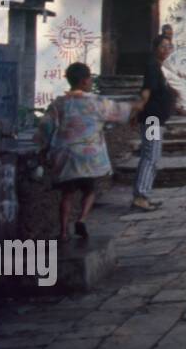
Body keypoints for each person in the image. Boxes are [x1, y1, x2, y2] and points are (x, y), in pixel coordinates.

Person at [35, 62, 141, 241]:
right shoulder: (97, 103)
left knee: (67, 194)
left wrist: (42, 148)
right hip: (89, 155)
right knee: (90, 190)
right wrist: (140, 104)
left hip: (66, 154)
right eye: (90, 78)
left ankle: (62, 232)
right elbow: (120, 111)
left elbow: (45, 127)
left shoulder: (58, 104)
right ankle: (82, 219)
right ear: (85, 81)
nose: (91, 81)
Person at [132, 34, 177, 211]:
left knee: (153, 155)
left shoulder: (159, 67)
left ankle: (144, 194)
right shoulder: (152, 67)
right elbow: (146, 92)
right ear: (155, 48)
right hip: (151, 119)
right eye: (163, 46)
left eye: (169, 47)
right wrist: (136, 111)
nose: (166, 50)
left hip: (156, 118)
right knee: (150, 155)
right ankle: (141, 196)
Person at [159, 23, 186, 114]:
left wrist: (179, 72)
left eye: (171, 34)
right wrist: (175, 72)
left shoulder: (170, 44)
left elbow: (171, 61)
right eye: (167, 34)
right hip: (160, 68)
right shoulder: (162, 43)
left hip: (168, 68)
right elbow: (165, 60)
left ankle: (179, 106)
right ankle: (185, 108)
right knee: (180, 84)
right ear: (163, 33)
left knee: (184, 82)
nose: (169, 36)